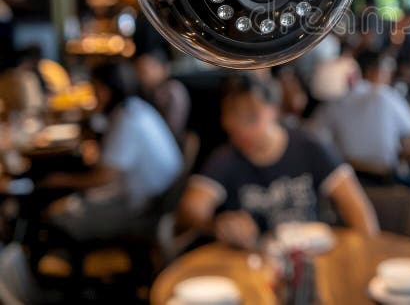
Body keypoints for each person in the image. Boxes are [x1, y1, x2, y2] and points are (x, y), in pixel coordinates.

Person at [179, 74, 378, 248]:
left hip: (309, 255)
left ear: (274, 110)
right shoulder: (226, 158)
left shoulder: (311, 147)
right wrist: (218, 223)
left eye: (251, 117)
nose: (243, 129)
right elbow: (191, 209)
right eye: (233, 118)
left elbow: (360, 213)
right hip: (254, 262)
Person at [43, 61, 182, 240]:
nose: (91, 97)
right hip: (155, 202)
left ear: (105, 91)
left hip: (143, 212)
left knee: (54, 214)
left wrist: (61, 181)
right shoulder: (135, 108)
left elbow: (103, 178)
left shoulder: (126, 120)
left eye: (94, 88)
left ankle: (68, 263)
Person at [310, 50, 410, 182]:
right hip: (386, 181)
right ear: (367, 72)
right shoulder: (385, 95)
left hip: (349, 182)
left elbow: (315, 137)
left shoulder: (331, 106)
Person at [134, 48, 191, 139]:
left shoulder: (173, 90)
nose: (143, 77)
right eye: (139, 72)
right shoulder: (146, 92)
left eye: (146, 71)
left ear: (162, 68)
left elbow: (172, 130)